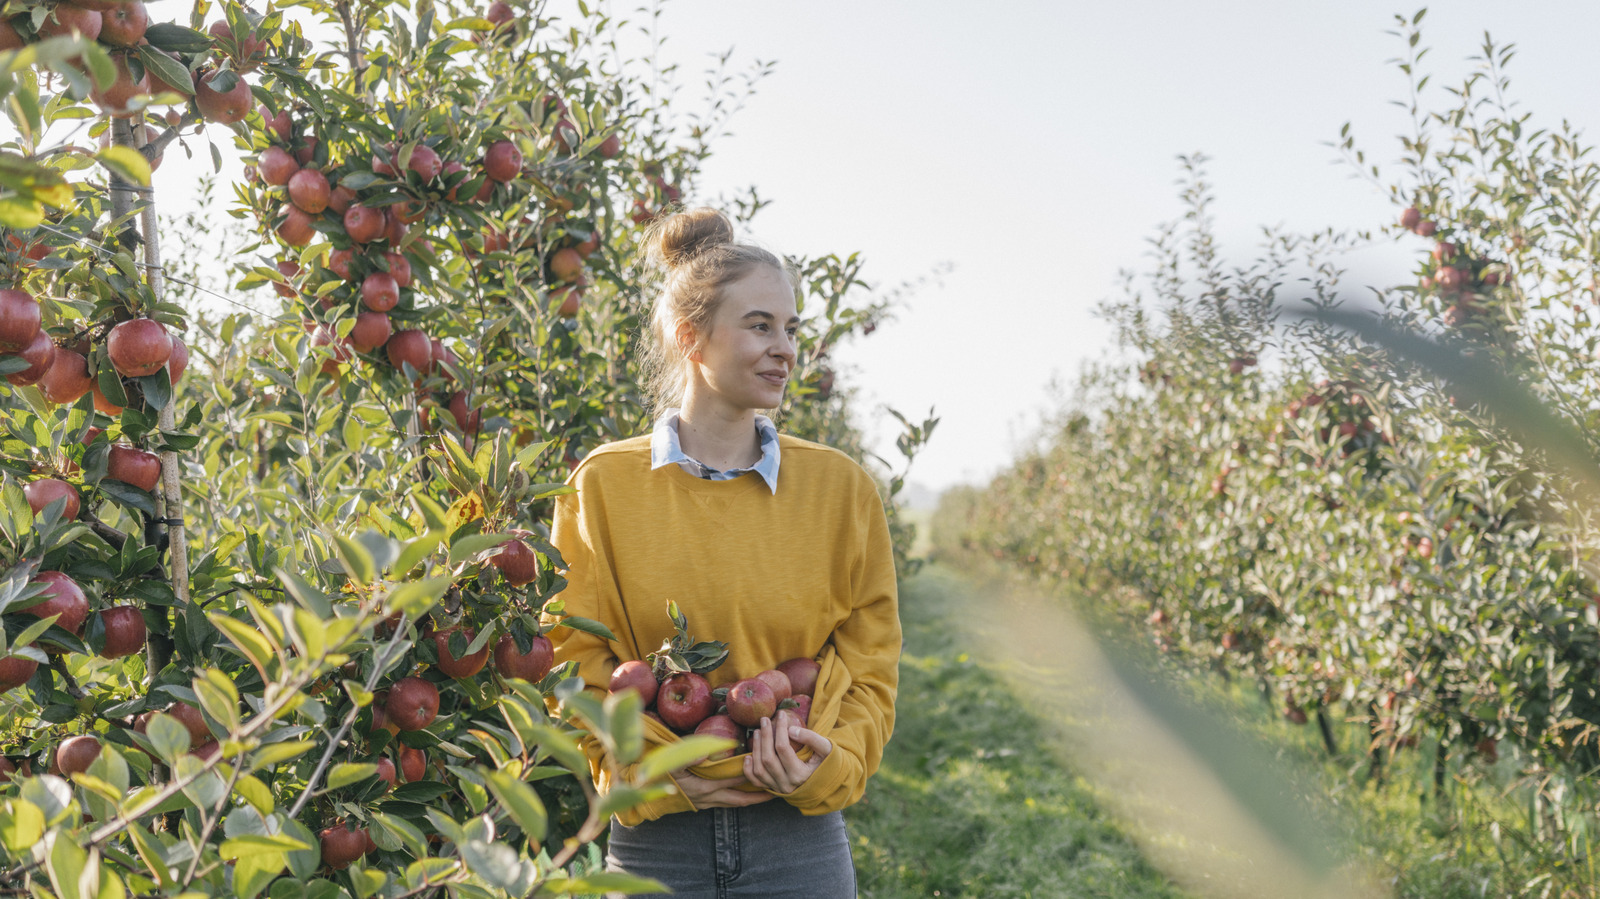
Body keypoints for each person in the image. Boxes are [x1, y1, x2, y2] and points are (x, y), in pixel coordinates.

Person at [546, 207, 901, 898]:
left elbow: (870, 663)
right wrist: (649, 776)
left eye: (792, 328)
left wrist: (828, 768)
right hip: (655, 842)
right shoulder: (603, 485)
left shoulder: (839, 491)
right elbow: (572, 655)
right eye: (760, 325)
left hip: (796, 838)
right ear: (692, 338)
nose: (786, 348)